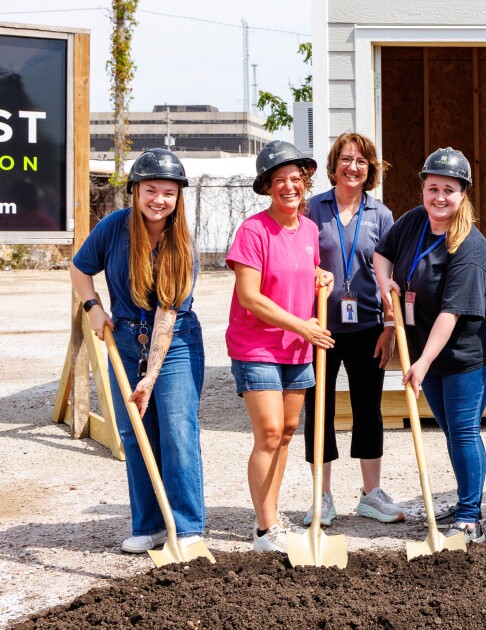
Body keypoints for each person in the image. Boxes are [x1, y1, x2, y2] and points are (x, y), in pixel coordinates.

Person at [70, 149, 206, 554]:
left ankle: (185, 527)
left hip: (176, 341)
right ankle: (149, 525)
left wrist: (150, 376)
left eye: (168, 192)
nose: (159, 199)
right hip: (124, 340)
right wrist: (93, 306)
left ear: (179, 196)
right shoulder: (114, 227)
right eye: (151, 190)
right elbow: (80, 268)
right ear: (135, 191)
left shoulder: (183, 247)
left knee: (177, 431)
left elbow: (167, 317)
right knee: (135, 432)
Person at [374, 147, 486, 544]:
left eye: (448, 190)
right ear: (423, 189)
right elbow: (382, 255)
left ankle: (471, 517)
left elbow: (451, 314)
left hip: (468, 354)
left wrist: (422, 362)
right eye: (432, 188)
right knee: (451, 430)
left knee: (464, 430)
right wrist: (387, 285)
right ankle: (468, 501)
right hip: (426, 349)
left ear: (463, 193)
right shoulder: (415, 221)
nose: (439, 197)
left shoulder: (470, 249)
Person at [225, 140, 334, 553]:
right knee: (269, 431)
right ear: (268, 188)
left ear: (305, 183)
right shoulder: (253, 230)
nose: (289, 187)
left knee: (288, 433)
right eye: (279, 181)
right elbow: (251, 297)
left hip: (296, 347)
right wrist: (303, 327)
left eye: (295, 179)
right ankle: (264, 528)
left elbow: (295, 269)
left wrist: (318, 274)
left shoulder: (308, 229)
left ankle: (271, 513)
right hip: (256, 346)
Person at [301, 132, 403, 527]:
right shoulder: (313, 209)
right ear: (334, 165)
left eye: (361, 161)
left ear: (370, 169)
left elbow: (389, 275)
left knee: (368, 409)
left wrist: (390, 326)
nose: (353, 167)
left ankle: (371, 494)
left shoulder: (381, 215)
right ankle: (321, 496)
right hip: (321, 328)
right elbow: (300, 258)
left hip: (367, 327)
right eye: (346, 159)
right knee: (320, 410)